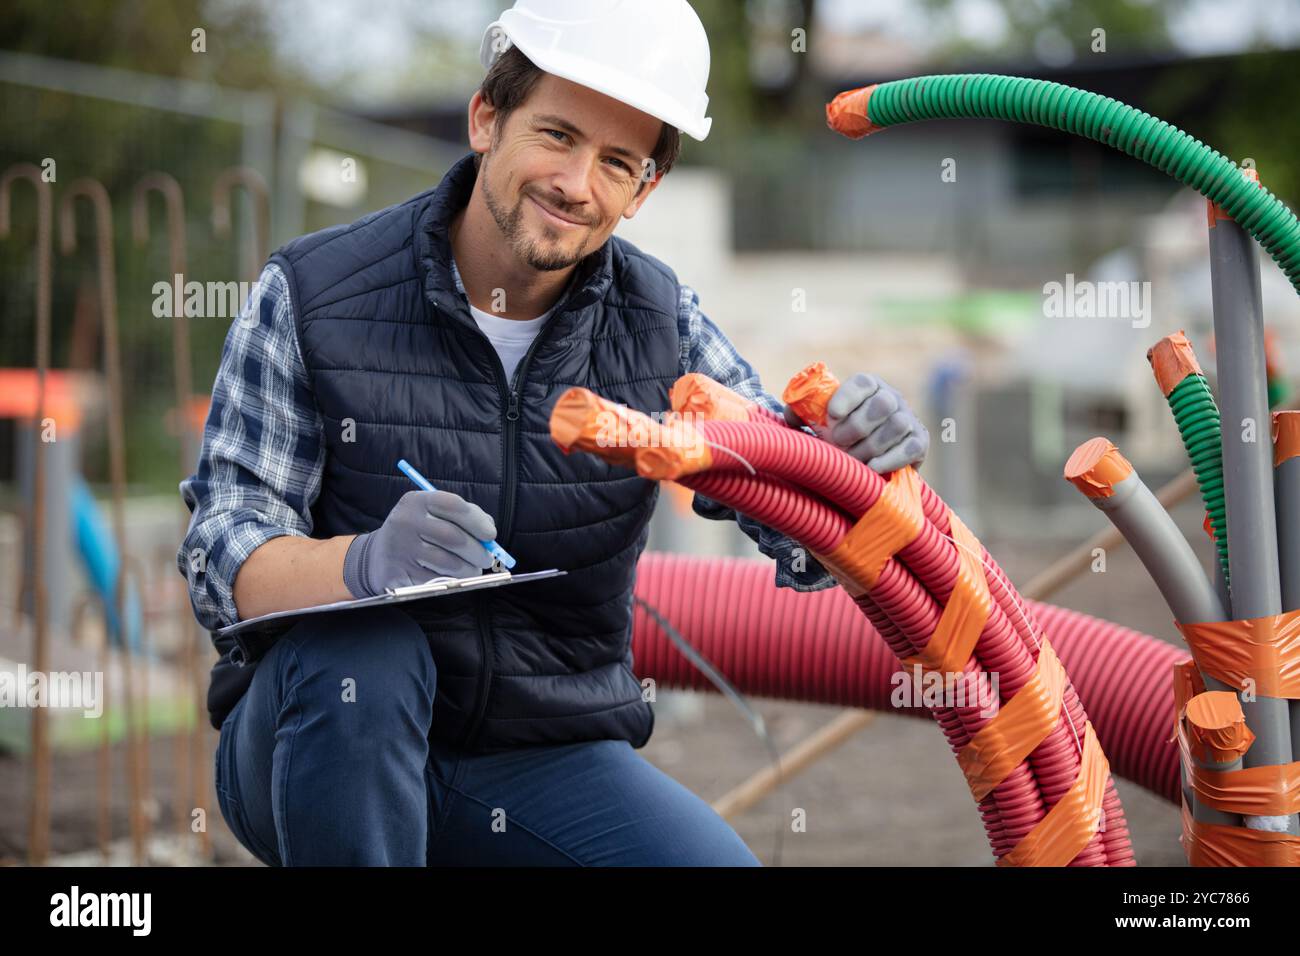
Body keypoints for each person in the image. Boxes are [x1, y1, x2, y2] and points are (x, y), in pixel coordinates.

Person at [178, 0, 930, 866]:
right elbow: (220, 554)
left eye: (617, 161)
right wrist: (360, 566)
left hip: (540, 756)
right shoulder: (314, 295)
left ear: (644, 189)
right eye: (558, 136)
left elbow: (791, 525)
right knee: (370, 646)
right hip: (315, 744)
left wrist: (850, 462)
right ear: (485, 119)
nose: (578, 183)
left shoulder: (660, 325)